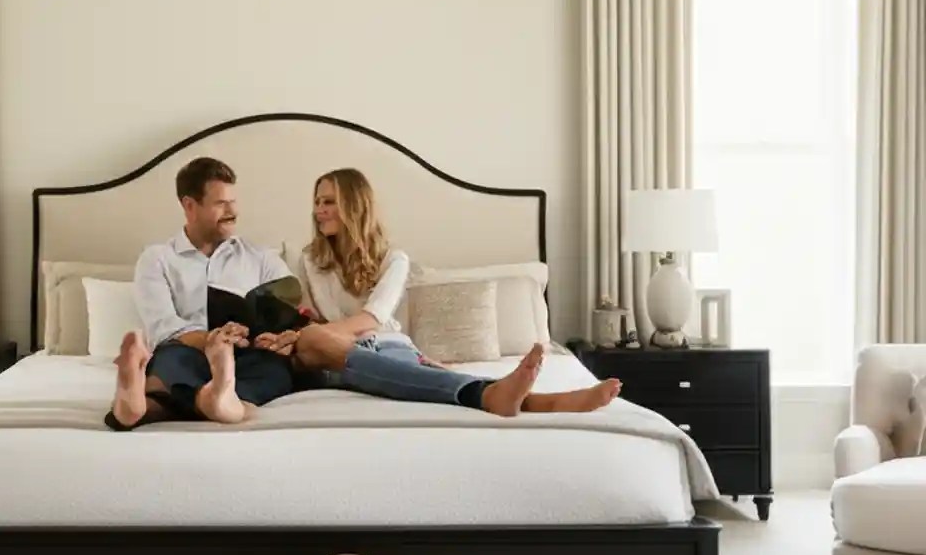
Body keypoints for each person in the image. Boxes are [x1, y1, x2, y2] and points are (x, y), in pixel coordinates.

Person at [259, 167, 622, 416]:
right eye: (317, 201)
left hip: (383, 344)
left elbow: (372, 319)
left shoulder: (394, 260)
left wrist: (312, 334)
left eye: (329, 201)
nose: (319, 210)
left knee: (336, 348)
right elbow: (310, 319)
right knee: (311, 343)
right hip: (330, 352)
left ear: (354, 206)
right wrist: (299, 333)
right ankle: (524, 399)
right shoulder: (309, 261)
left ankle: (539, 401)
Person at [107, 157, 297, 430]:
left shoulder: (260, 258)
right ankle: (219, 401)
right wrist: (212, 341)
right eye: (221, 203)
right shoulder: (157, 259)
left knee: (276, 370)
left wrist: (276, 338)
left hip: (247, 358)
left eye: (233, 201)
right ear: (189, 206)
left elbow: (289, 314)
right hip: (186, 353)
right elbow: (164, 327)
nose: (232, 211)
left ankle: (133, 408)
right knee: (170, 359)